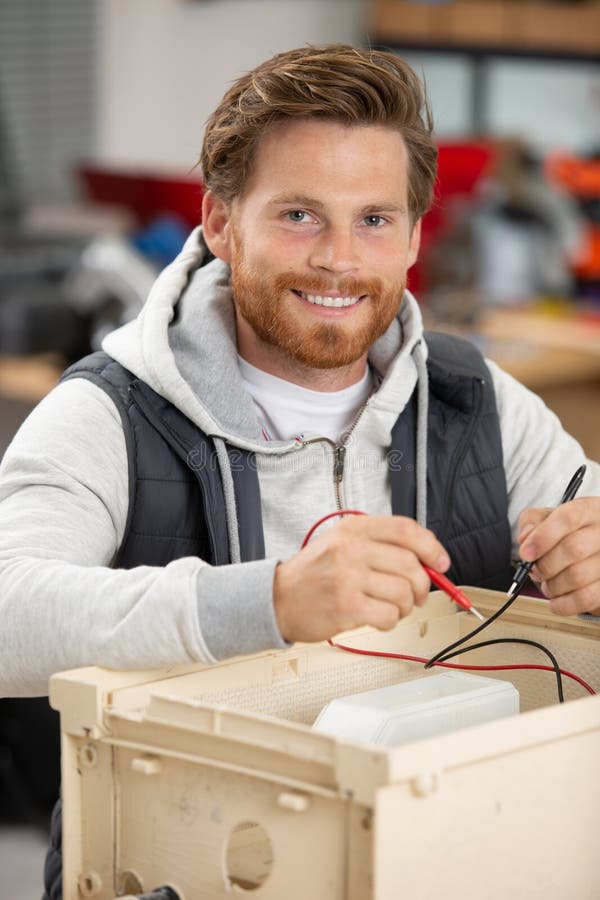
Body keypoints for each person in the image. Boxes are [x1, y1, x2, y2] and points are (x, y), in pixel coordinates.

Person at [0, 44, 598, 898]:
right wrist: (269, 599)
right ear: (219, 222)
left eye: (375, 220)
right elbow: (6, 614)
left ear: (414, 235)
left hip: (449, 858)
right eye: (299, 216)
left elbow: (589, 504)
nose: (340, 260)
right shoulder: (109, 411)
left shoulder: (476, 398)